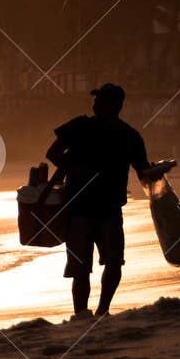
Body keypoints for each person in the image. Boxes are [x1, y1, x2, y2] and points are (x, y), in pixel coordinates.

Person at [46, 82, 152, 319]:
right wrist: (77, 169)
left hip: (106, 208)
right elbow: (52, 153)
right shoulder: (81, 126)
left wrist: (159, 170)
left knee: (113, 262)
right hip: (82, 207)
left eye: (100, 100)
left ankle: (102, 310)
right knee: (83, 267)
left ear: (114, 105)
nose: (94, 103)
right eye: (95, 99)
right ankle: (83, 314)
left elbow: (143, 170)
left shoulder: (129, 135)